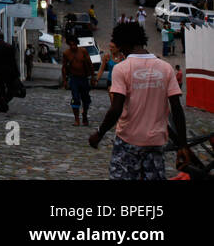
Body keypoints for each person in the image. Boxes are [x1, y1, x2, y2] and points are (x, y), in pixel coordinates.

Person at [88, 21, 194, 179]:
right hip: (155, 143)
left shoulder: (122, 69)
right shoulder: (165, 68)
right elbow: (176, 109)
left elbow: (116, 109)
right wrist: (183, 145)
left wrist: (99, 133)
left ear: (123, 43)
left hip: (128, 141)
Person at [61, 35, 98, 126]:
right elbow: (64, 67)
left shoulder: (83, 51)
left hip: (84, 78)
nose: (73, 47)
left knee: (86, 99)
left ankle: (84, 114)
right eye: (71, 45)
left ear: (77, 44)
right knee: (75, 98)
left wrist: (93, 77)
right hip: (74, 79)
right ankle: (76, 119)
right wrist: (65, 80)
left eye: (74, 45)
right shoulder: (66, 53)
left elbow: (90, 64)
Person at [0, 30, 20, 113]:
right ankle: (5, 100)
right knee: (11, 88)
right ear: (3, 37)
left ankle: (2, 104)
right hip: (8, 71)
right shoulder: (9, 47)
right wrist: (16, 72)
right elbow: (13, 61)